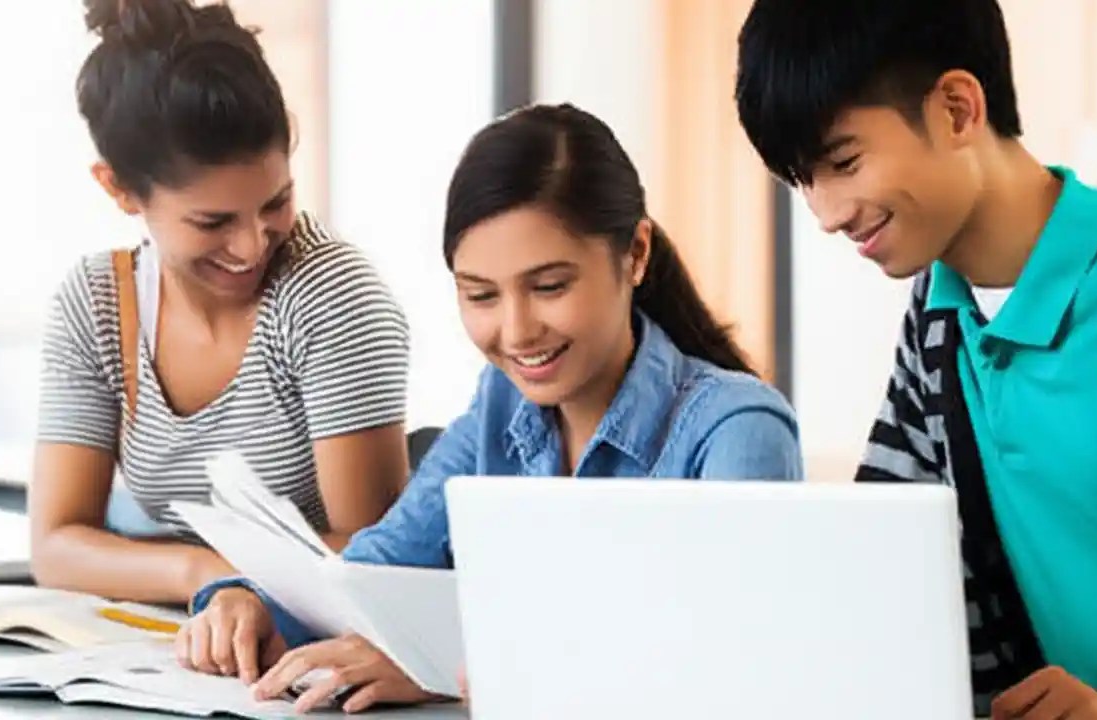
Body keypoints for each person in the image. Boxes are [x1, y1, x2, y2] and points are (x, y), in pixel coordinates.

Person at [175, 103, 803, 713]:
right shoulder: (500, 405)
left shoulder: (736, 430)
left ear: (635, 254)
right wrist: (247, 602)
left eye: (550, 287)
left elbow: (720, 658)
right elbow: (375, 567)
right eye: (480, 296)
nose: (517, 331)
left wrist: (442, 664)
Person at [736, 1, 1097, 718]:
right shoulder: (938, 317)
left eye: (844, 162)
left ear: (957, 109)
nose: (827, 214)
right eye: (804, 180)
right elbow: (876, 572)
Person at [30, 0, 411, 606]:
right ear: (119, 189)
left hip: (315, 636)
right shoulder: (97, 305)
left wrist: (226, 583)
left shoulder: (329, 295)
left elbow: (375, 561)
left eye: (275, 203)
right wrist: (203, 575)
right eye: (213, 222)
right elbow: (56, 547)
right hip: (197, 629)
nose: (252, 246)